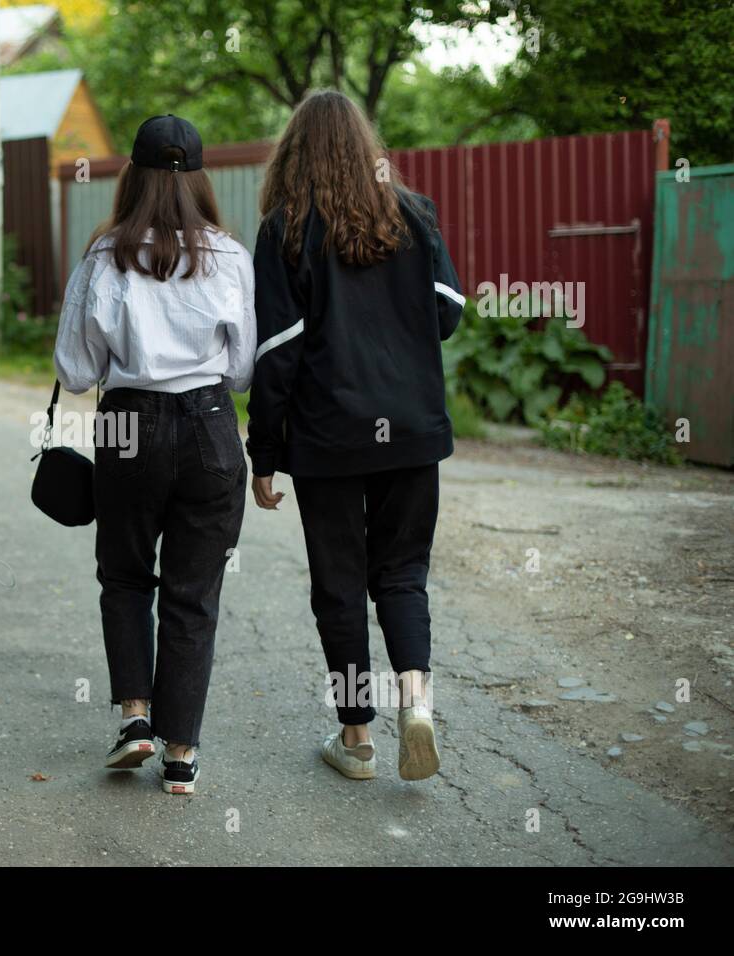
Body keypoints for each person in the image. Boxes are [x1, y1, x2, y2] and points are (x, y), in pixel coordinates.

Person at [247, 89, 465, 783]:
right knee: (402, 575)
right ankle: (418, 703)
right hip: (411, 431)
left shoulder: (286, 228)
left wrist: (265, 454)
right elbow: (450, 313)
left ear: (295, 155)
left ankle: (357, 738)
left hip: (329, 438)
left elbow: (278, 352)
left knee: (339, 585)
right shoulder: (414, 215)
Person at [54, 115, 255, 795]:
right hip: (208, 425)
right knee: (194, 595)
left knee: (126, 576)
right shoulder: (229, 256)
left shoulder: (103, 254)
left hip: (128, 427)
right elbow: (244, 368)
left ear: (132, 176)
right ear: (199, 179)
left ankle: (135, 718)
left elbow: (77, 372)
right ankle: (180, 754)